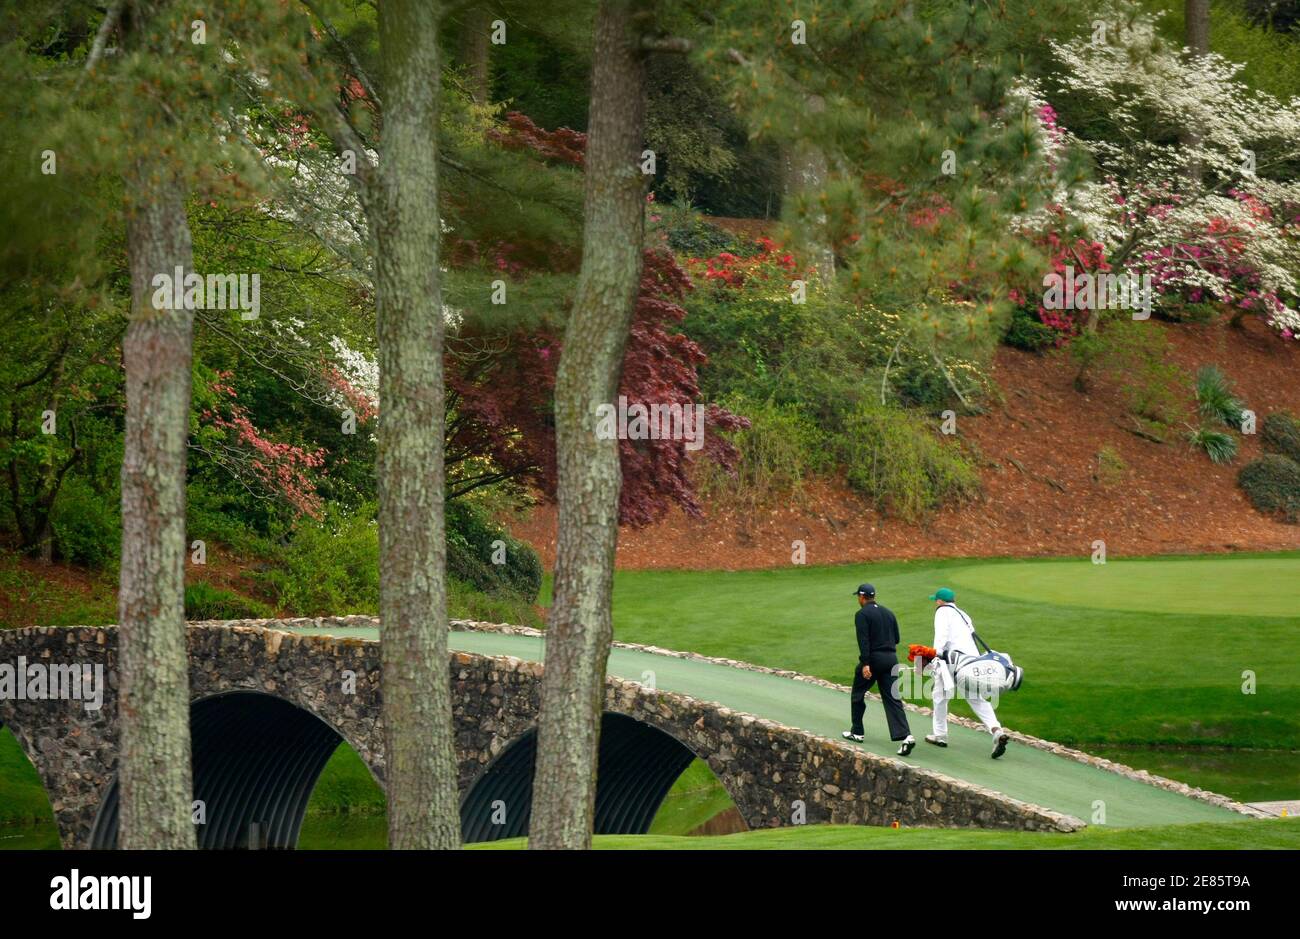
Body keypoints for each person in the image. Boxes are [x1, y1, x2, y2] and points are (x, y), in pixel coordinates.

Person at [924, 587, 1010, 759]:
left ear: (940, 601)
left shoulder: (942, 612)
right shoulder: (963, 614)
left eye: (936, 600)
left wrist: (934, 656)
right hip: (971, 662)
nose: (935, 603)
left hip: (952, 659)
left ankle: (940, 735)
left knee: (940, 695)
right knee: (976, 698)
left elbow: (941, 637)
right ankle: (996, 730)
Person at [842, 584, 915, 756]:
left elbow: (864, 641)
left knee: (858, 694)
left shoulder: (861, 614)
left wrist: (866, 664)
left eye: (858, 597)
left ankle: (857, 731)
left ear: (861, 597)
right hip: (891, 659)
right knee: (893, 699)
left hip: (874, 660)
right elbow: (896, 638)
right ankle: (906, 736)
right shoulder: (889, 613)